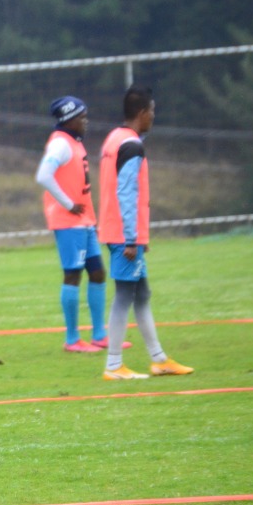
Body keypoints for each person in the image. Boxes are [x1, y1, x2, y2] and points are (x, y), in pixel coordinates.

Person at [97, 85, 194, 380]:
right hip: (123, 235)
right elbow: (126, 193)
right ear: (142, 113)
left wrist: (139, 237)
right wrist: (131, 237)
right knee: (125, 295)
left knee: (141, 293)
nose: (153, 116)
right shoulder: (132, 146)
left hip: (122, 232)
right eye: (152, 110)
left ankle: (159, 359)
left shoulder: (114, 138)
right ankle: (114, 365)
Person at [35, 96, 128, 354]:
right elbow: (43, 175)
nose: (85, 121)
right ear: (69, 119)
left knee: (97, 272)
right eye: (81, 117)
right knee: (73, 274)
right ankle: (72, 339)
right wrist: (67, 203)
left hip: (83, 220)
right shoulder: (61, 145)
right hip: (68, 221)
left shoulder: (73, 142)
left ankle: (99, 334)